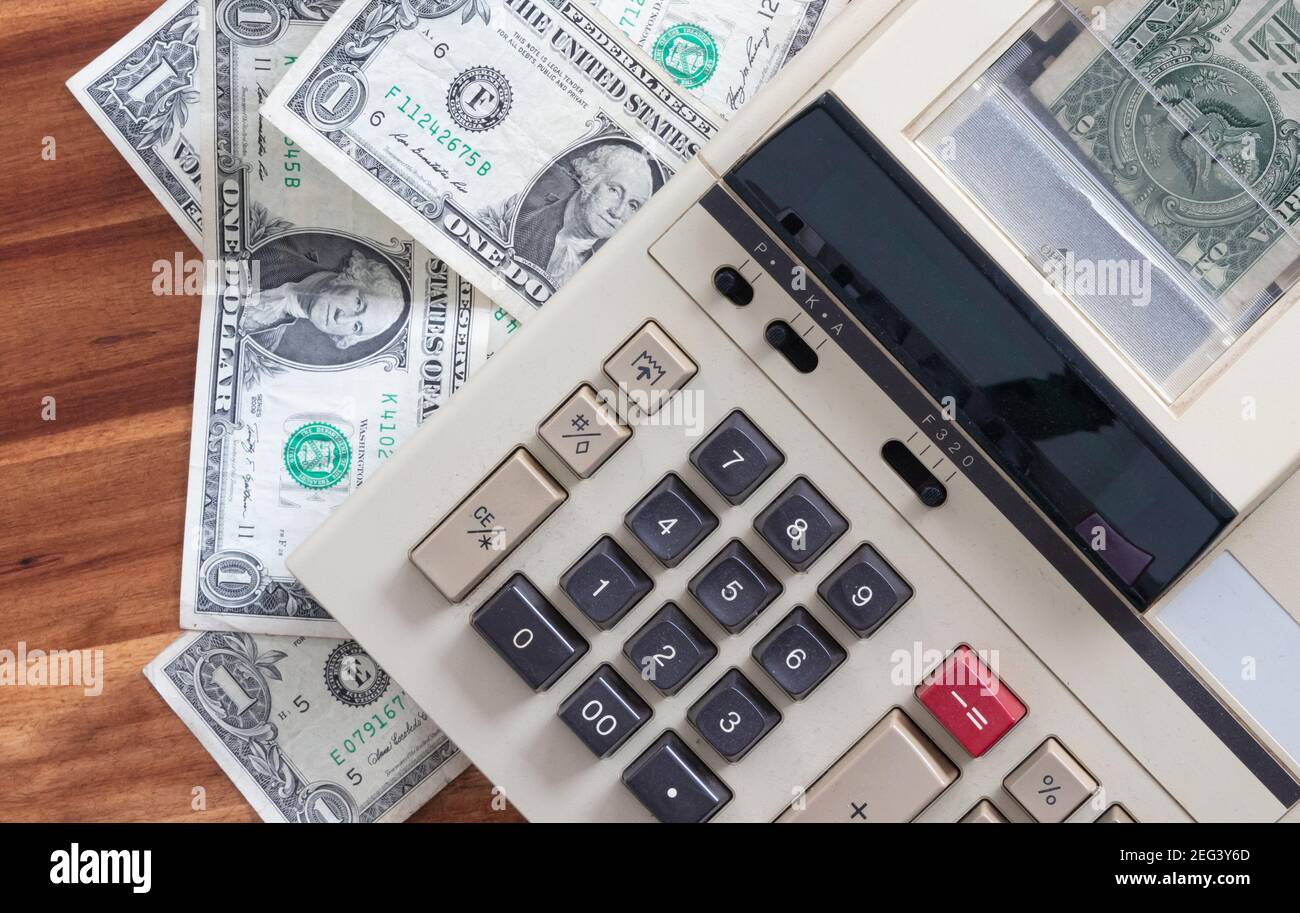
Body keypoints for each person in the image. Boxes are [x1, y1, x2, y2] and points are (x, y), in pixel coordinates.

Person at [513, 143, 655, 285]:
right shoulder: (519, 217)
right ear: (591, 178)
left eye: (632, 205)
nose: (617, 212)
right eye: (614, 191)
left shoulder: (600, 280)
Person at [240, 248, 404, 356]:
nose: (340, 319)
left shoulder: (266, 344)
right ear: (355, 276)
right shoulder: (276, 251)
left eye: (356, 327)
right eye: (358, 304)